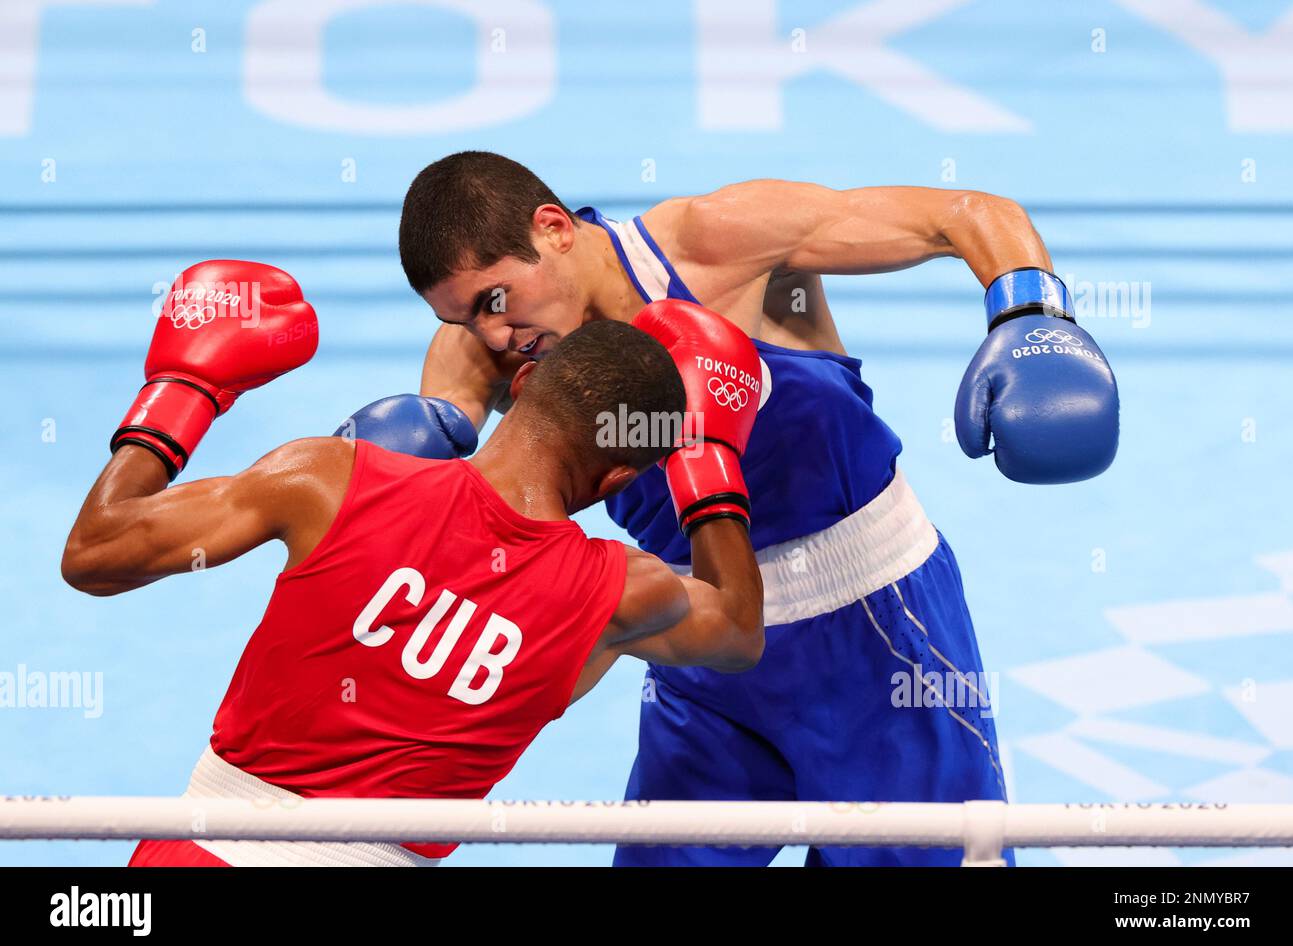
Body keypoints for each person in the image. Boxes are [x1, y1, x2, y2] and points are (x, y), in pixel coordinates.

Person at [338, 151, 1121, 866]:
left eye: (495, 298)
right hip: (701, 648)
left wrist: (1029, 319)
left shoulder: (712, 240)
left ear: (554, 230)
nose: (492, 331)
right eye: (463, 317)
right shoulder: (486, 351)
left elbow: (967, 214)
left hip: (875, 631)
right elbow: (452, 516)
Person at [62, 260, 765, 867]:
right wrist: (709, 463)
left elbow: (95, 553)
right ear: (616, 479)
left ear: (519, 388)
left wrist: (185, 389)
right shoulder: (621, 593)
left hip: (198, 851)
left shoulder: (326, 477)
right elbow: (736, 630)